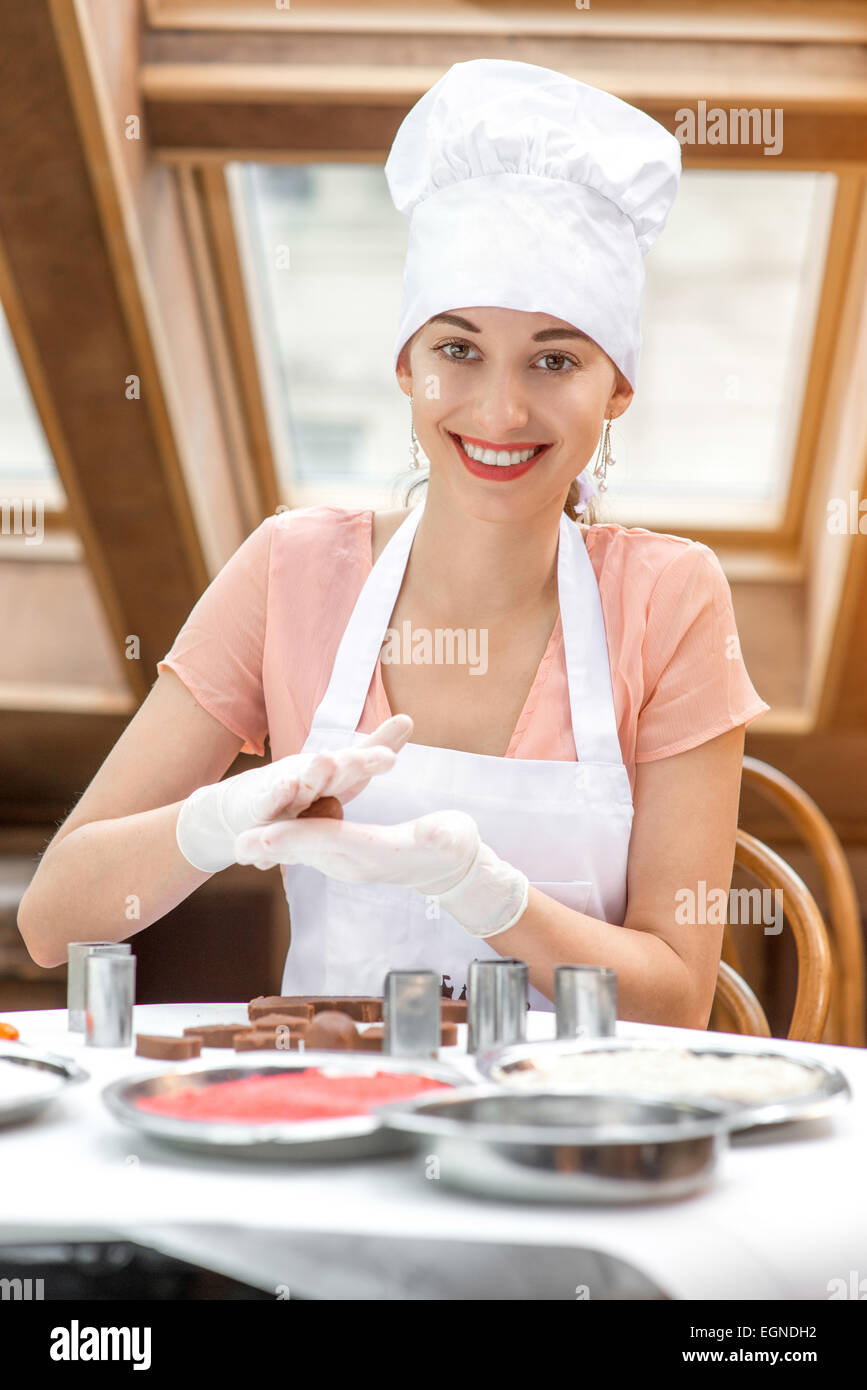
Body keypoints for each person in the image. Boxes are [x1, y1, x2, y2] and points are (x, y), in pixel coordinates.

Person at [18, 60, 769, 1026]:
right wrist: (215, 825)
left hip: (562, 1137)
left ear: (617, 385)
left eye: (555, 359)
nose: (500, 408)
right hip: (324, 1123)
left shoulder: (670, 600)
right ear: (405, 365)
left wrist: (488, 893)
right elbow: (53, 922)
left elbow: (674, 1002)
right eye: (457, 350)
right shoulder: (292, 572)